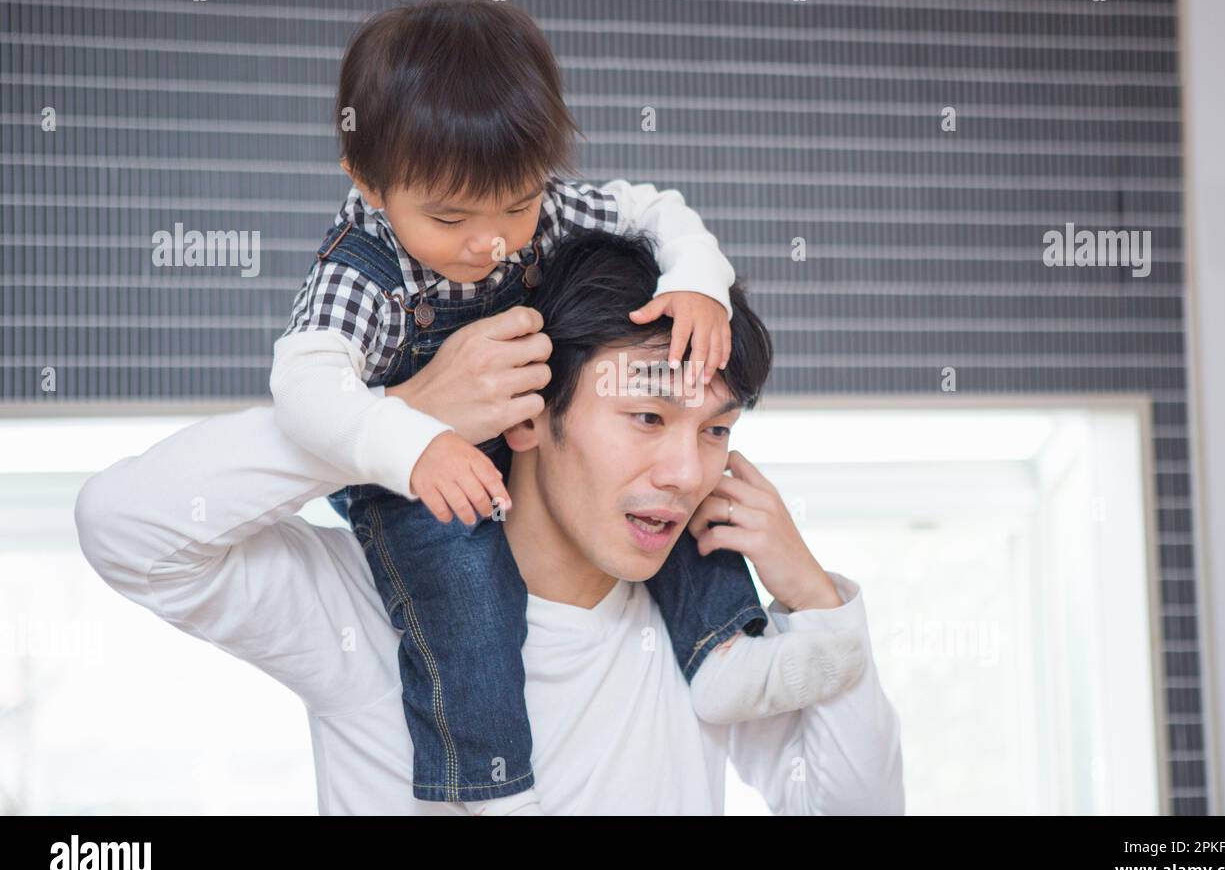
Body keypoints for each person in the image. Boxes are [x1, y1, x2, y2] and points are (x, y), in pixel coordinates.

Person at [74, 228, 905, 816]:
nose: (689, 474)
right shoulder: (372, 607)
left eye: (716, 431)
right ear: (528, 418)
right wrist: (397, 419)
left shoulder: (706, 636)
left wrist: (815, 601)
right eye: (648, 418)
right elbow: (126, 528)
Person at [268, 0, 856, 811]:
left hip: (499, 441)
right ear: (367, 183)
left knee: (685, 506)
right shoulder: (355, 274)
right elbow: (303, 392)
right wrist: (416, 432)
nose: (492, 243)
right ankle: (494, 781)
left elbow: (659, 210)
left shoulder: (548, 212)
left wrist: (696, 283)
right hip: (400, 465)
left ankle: (725, 647)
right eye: (449, 217)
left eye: (516, 206)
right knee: (464, 589)